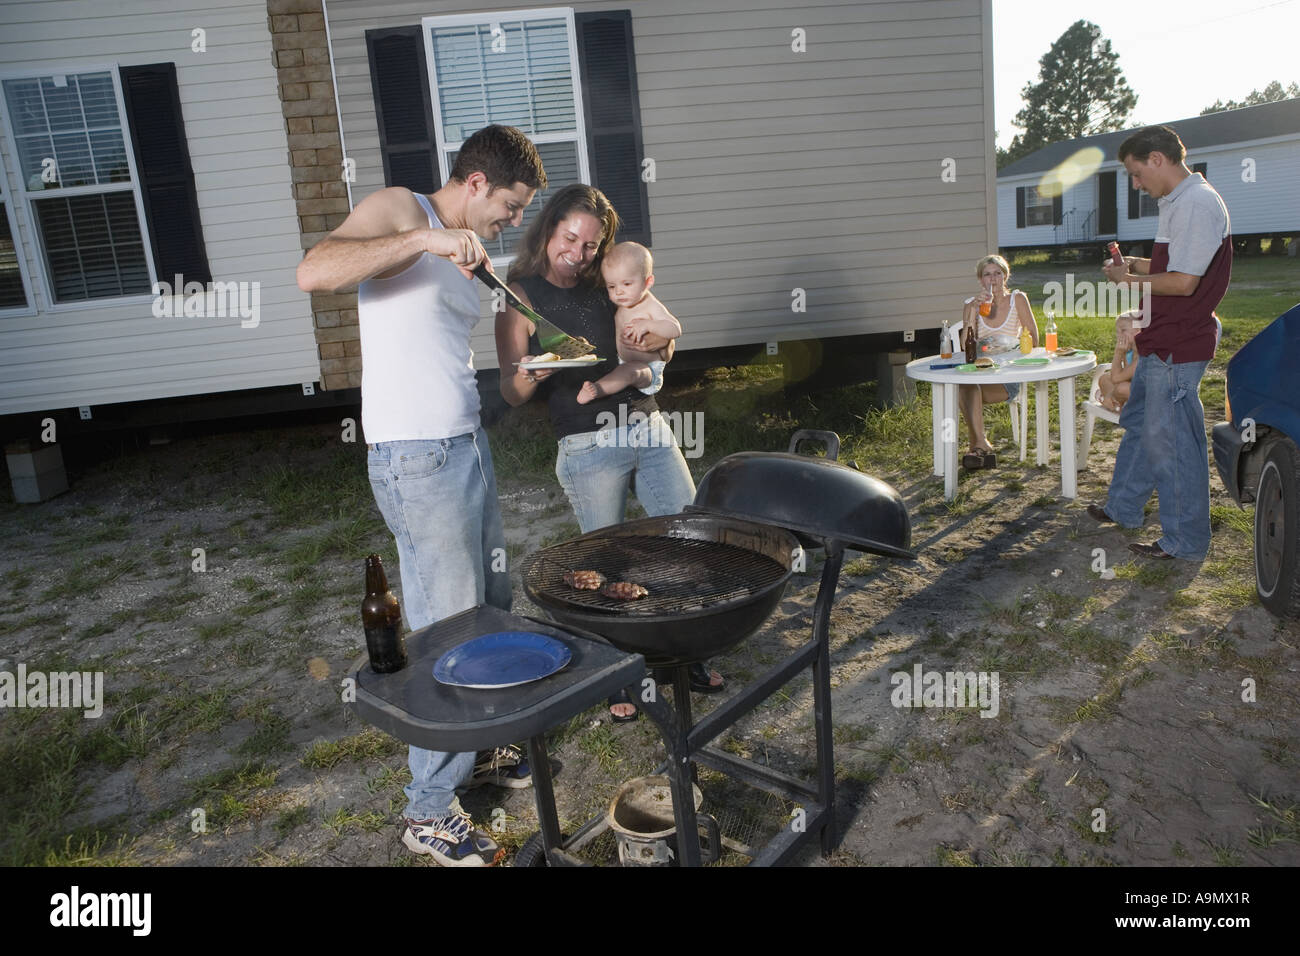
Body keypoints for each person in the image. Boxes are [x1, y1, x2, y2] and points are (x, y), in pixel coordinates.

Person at [296, 124, 547, 866]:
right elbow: (315, 270)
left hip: (466, 442)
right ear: (474, 183)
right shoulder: (402, 209)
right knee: (448, 631)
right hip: (416, 456)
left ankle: (480, 746)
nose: (513, 221)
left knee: (491, 601)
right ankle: (429, 811)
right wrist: (424, 242)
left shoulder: (470, 249)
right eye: (509, 205)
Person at [495, 184, 723, 720]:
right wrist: (536, 371)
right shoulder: (522, 293)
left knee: (687, 539)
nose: (579, 253)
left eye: (591, 245)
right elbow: (510, 390)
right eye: (570, 238)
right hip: (587, 443)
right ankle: (619, 675)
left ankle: (685, 652)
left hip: (648, 426)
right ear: (549, 228)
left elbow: (664, 342)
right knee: (605, 563)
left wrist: (657, 343)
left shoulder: (609, 279)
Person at [1088, 125, 1232, 561]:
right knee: (1140, 426)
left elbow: (1186, 283)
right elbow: (1179, 264)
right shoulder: (1177, 202)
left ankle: (1186, 541)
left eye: (1135, 172)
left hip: (1180, 341)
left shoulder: (1197, 203)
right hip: (1161, 336)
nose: (1135, 183)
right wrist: (1137, 263)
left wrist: (1129, 279)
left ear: (1156, 159)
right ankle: (1125, 507)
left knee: (1172, 443)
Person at [957, 254, 1039, 469]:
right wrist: (972, 312)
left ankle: (976, 446)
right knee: (965, 386)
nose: (992, 279)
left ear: (1005, 276)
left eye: (997, 273)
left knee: (965, 390)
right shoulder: (971, 305)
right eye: (987, 275)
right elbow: (966, 347)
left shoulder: (1017, 299)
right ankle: (980, 446)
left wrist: (1012, 344)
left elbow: (1035, 339)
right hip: (981, 373)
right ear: (980, 280)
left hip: (1009, 375)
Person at [577, 241, 681, 404]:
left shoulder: (650, 305)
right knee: (622, 370)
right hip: (623, 361)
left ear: (647, 282)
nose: (619, 291)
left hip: (649, 369)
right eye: (611, 286)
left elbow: (675, 329)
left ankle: (597, 390)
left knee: (630, 372)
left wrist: (648, 324)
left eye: (627, 284)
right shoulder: (622, 302)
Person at [1097, 311, 1141, 412]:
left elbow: (1116, 378)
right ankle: (1115, 401)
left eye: (1123, 330)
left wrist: (1118, 353)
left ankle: (1112, 401)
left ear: (1139, 330)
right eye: (1117, 331)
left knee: (1122, 388)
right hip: (1133, 386)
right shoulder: (1129, 352)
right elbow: (1122, 376)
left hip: (1147, 394)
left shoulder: (1143, 356)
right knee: (1104, 378)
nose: (1118, 335)